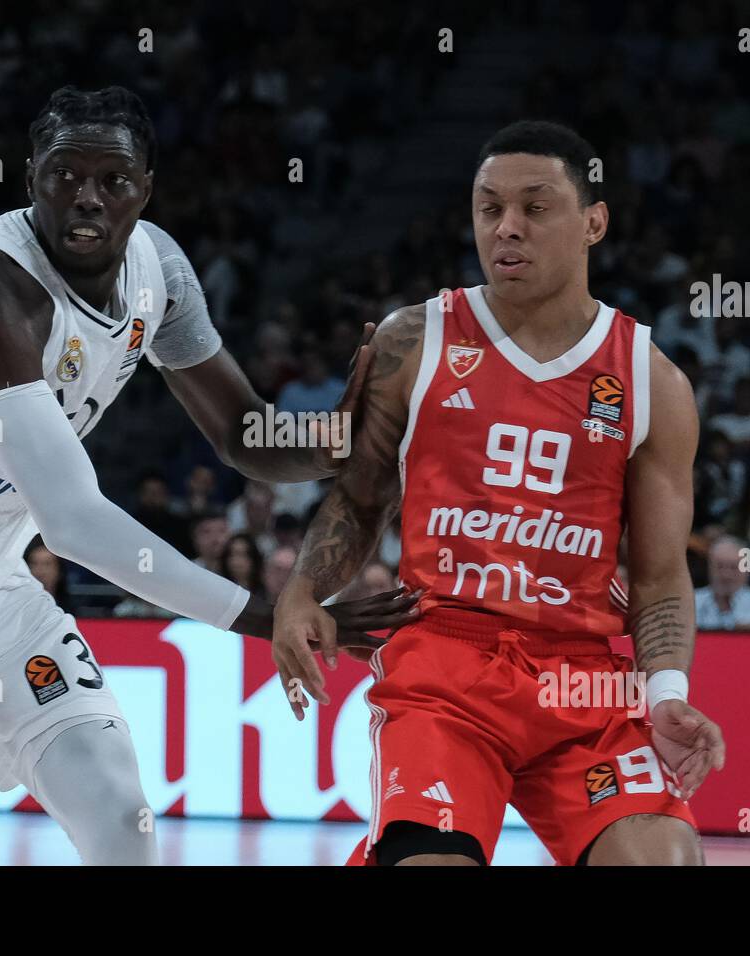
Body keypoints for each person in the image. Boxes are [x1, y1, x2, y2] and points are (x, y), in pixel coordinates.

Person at [0, 85, 417, 867]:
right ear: (31, 179)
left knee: (125, 824)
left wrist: (339, 438)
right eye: (65, 175)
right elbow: (74, 522)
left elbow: (241, 433)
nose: (87, 197)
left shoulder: (159, 268)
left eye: (113, 180)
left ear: (145, 190)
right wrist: (263, 616)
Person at [275, 120, 723, 867]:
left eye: (535, 207)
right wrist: (300, 592)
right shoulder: (411, 340)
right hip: (445, 665)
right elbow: (357, 503)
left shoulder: (651, 381)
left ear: (593, 222)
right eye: (489, 209)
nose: (507, 228)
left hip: (583, 686)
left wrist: (667, 690)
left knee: (666, 861)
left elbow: (660, 576)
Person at [694, 535, 750, 630]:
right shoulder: (693, 601)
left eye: (734, 567)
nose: (726, 574)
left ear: (746, 570)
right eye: (720, 566)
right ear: (709, 568)